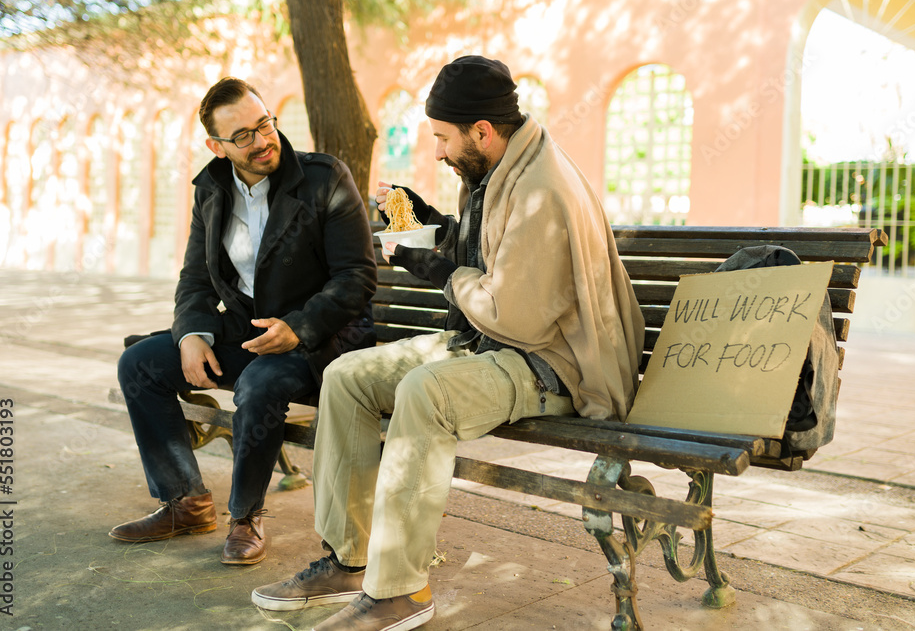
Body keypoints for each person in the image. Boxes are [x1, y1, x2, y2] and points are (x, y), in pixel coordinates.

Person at [251, 56, 644, 630]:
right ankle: (350, 561)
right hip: (492, 343)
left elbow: (515, 316)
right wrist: (427, 218)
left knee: (425, 392)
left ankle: (400, 590)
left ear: (481, 130)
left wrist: (438, 271)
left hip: (553, 363)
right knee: (346, 377)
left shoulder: (542, 187)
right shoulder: (497, 168)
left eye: (442, 137)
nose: (437, 151)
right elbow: (487, 251)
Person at [111, 77, 378, 566]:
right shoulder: (211, 191)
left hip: (320, 340)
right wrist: (192, 334)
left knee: (259, 383)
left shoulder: (323, 178)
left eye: (265, 124)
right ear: (216, 146)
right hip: (248, 332)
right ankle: (185, 503)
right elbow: (195, 278)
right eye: (242, 136)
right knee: (140, 363)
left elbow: (356, 277)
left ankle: (246, 516)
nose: (262, 141)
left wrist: (298, 327)